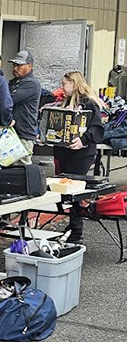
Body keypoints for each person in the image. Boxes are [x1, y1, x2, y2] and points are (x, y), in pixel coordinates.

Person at [50, 71, 104, 245]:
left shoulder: (89, 103)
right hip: (64, 152)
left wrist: (84, 140)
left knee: (75, 192)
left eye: (65, 84)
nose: (62, 88)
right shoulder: (65, 102)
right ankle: (73, 226)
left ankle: (76, 229)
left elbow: (96, 128)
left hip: (81, 154)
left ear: (74, 84)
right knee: (68, 191)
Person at [8, 50, 41, 165]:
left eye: (19, 65)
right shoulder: (14, 83)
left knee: (21, 170)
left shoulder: (31, 84)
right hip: (11, 134)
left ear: (30, 66)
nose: (15, 68)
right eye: (14, 65)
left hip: (23, 134)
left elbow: (9, 100)